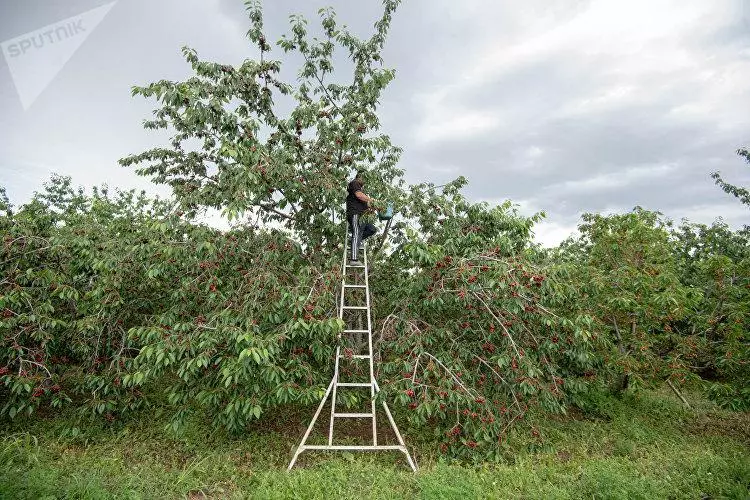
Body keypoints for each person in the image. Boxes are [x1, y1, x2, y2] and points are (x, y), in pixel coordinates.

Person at [346, 170, 378, 262]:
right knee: (356, 233)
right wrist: (372, 200)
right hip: (355, 214)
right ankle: (353, 259)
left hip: (363, 216)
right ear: (360, 177)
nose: (365, 182)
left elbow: (366, 204)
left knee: (372, 229)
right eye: (364, 178)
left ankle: (354, 241)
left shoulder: (361, 189)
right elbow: (359, 195)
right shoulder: (354, 183)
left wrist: (374, 208)